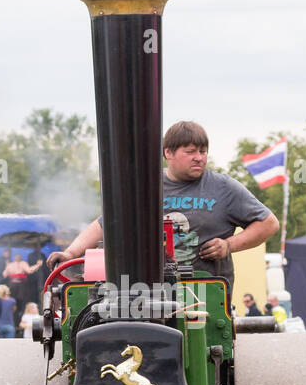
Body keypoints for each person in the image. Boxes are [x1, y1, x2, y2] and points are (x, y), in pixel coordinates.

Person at [47, 121, 279, 294]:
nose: (199, 158)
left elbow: (269, 223)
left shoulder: (223, 187)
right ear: (168, 153)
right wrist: (70, 253)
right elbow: (106, 224)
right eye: (190, 152)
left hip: (205, 291)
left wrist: (229, 245)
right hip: (147, 291)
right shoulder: (146, 186)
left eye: (203, 151)